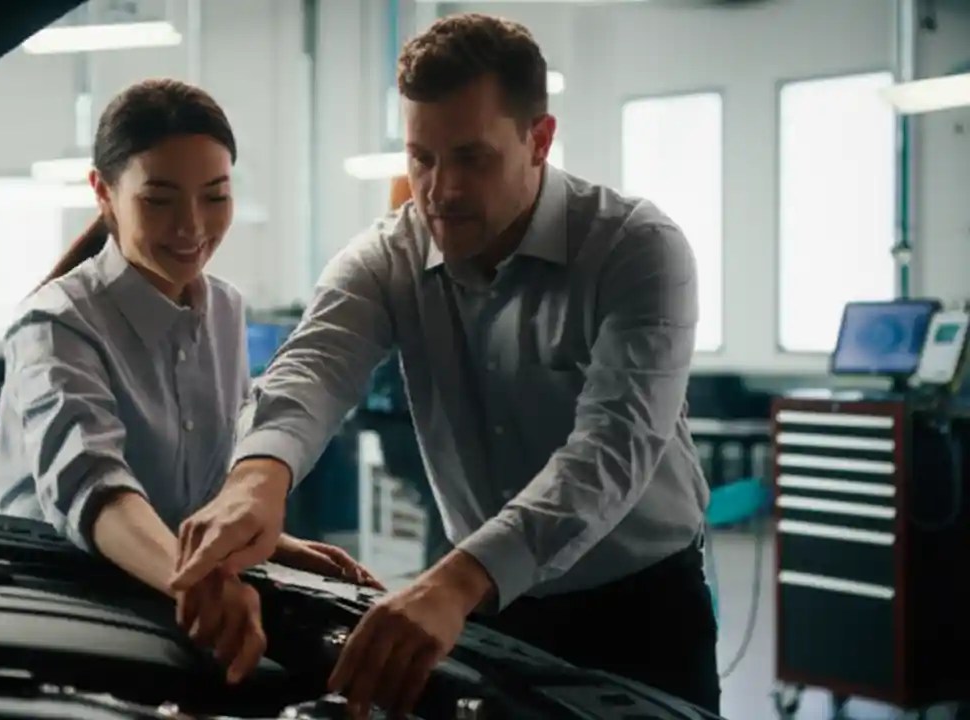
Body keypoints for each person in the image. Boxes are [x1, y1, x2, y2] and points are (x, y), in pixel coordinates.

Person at [170, 14, 720, 717]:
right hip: (483, 606)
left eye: (471, 158)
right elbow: (311, 368)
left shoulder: (637, 250)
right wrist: (256, 481)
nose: (440, 190)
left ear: (539, 140)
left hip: (639, 608)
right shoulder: (388, 255)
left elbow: (610, 451)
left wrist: (454, 582)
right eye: (421, 158)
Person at [0, 79, 380, 685]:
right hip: (62, 605)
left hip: (175, 601)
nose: (191, 227)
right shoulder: (54, 323)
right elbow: (93, 486)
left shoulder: (224, 310)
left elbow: (190, 495)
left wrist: (269, 541)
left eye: (215, 196)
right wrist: (195, 577)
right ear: (103, 192)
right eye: (160, 199)